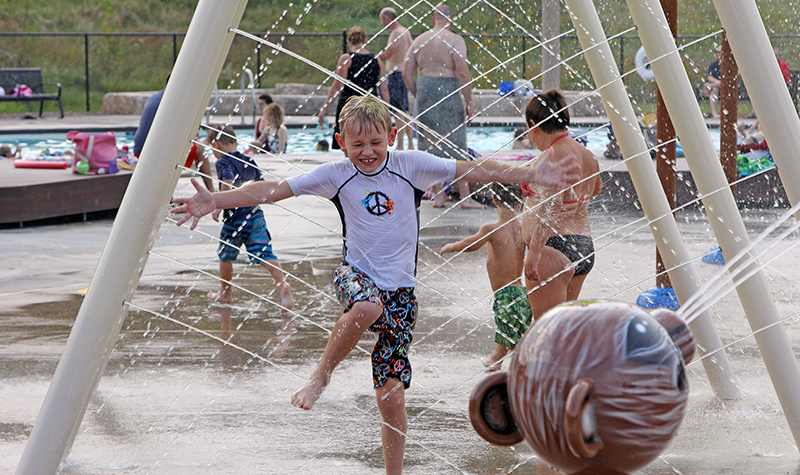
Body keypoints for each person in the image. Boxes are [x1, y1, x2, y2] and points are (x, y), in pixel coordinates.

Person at [171, 95, 579, 475]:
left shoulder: (411, 165)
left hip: (402, 294)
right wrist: (217, 201)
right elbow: (272, 190)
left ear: (392, 137)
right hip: (356, 276)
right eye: (357, 144)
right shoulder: (336, 175)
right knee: (367, 308)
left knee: (391, 396)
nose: (367, 152)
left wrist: (531, 172)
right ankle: (321, 376)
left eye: (375, 142)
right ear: (340, 142)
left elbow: (471, 168)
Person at [520, 90, 602, 320]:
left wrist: (534, 253)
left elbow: (550, 209)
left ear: (534, 125)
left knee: (547, 330)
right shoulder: (587, 154)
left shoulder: (554, 155)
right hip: (583, 246)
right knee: (565, 328)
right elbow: (596, 188)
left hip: (552, 247)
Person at [439, 182, 532, 371]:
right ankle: (495, 360)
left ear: (494, 200)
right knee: (510, 328)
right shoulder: (522, 227)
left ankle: (527, 369)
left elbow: (470, 243)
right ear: (522, 201)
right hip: (522, 292)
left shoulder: (492, 228)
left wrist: (452, 247)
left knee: (512, 335)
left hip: (505, 294)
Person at [203, 123, 294, 310]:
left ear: (217, 145)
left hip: (234, 218)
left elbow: (227, 181)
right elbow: (261, 184)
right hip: (255, 214)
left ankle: (225, 294)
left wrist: (219, 204)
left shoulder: (223, 161)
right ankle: (282, 284)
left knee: (225, 255)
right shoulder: (249, 160)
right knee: (264, 252)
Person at [403, 5, 484, 209]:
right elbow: (463, 72)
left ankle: (438, 195)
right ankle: (465, 197)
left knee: (429, 146)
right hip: (448, 90)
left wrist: (418, 94)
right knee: (457, 143)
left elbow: (406, 73)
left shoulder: (419, 40)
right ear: (451, 20)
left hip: (425, 90)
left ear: (433, 19)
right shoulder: (455, 40)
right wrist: (469, 103)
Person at [318, 26, 389, 150]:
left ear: (349, 42)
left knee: (349, 145)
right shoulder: (376, 60)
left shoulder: (347, 59)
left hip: (349, 107)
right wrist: (386, 110)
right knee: (370, 143)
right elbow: (384, 88)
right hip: (370, 107)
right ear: (365, 40)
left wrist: (324, 108)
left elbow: (337, 86)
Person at [378, 7, 414, 151]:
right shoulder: (405, 31)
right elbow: (412, 49)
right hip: (403, 73)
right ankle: (410, 143)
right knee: (405, 111)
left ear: (387, 19)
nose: (382, 23)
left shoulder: (395, 33)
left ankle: (400, 145)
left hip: (395, 73)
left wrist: (375, 58)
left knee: (397, 110)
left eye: (382, 20)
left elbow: (388, 53)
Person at [701, 46, 722, 119]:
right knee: (714, 89)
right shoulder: (713, 65)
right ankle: (714, 112)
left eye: (719, 52)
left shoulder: (728, 64)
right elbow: (709, 77)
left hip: (724, 86)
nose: (717, 54)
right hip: (715, 86)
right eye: (717, 52)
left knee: (715, 86)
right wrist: (718, 82)